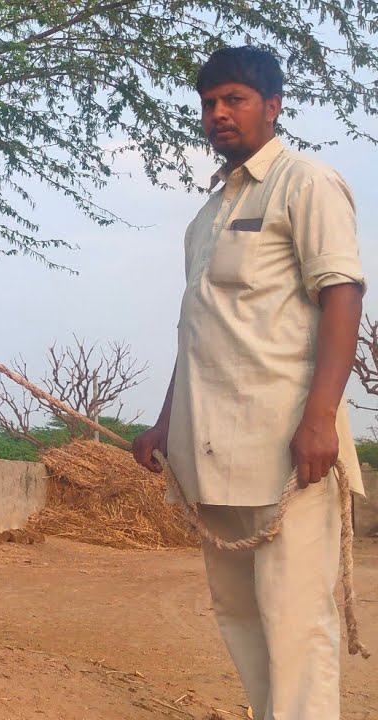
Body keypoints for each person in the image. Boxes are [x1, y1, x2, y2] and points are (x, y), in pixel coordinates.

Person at [132, 45, 366, 720]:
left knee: (297, 627)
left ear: (273, 106)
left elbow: (342, 296)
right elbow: (198, 329)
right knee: (241, 619)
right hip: (213, 454)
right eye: (209, 103)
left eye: (233, 99)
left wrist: (320, 417)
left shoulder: (307, 184)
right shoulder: (206, 217)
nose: (218, 114)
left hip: (291, 454)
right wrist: (165, 424)